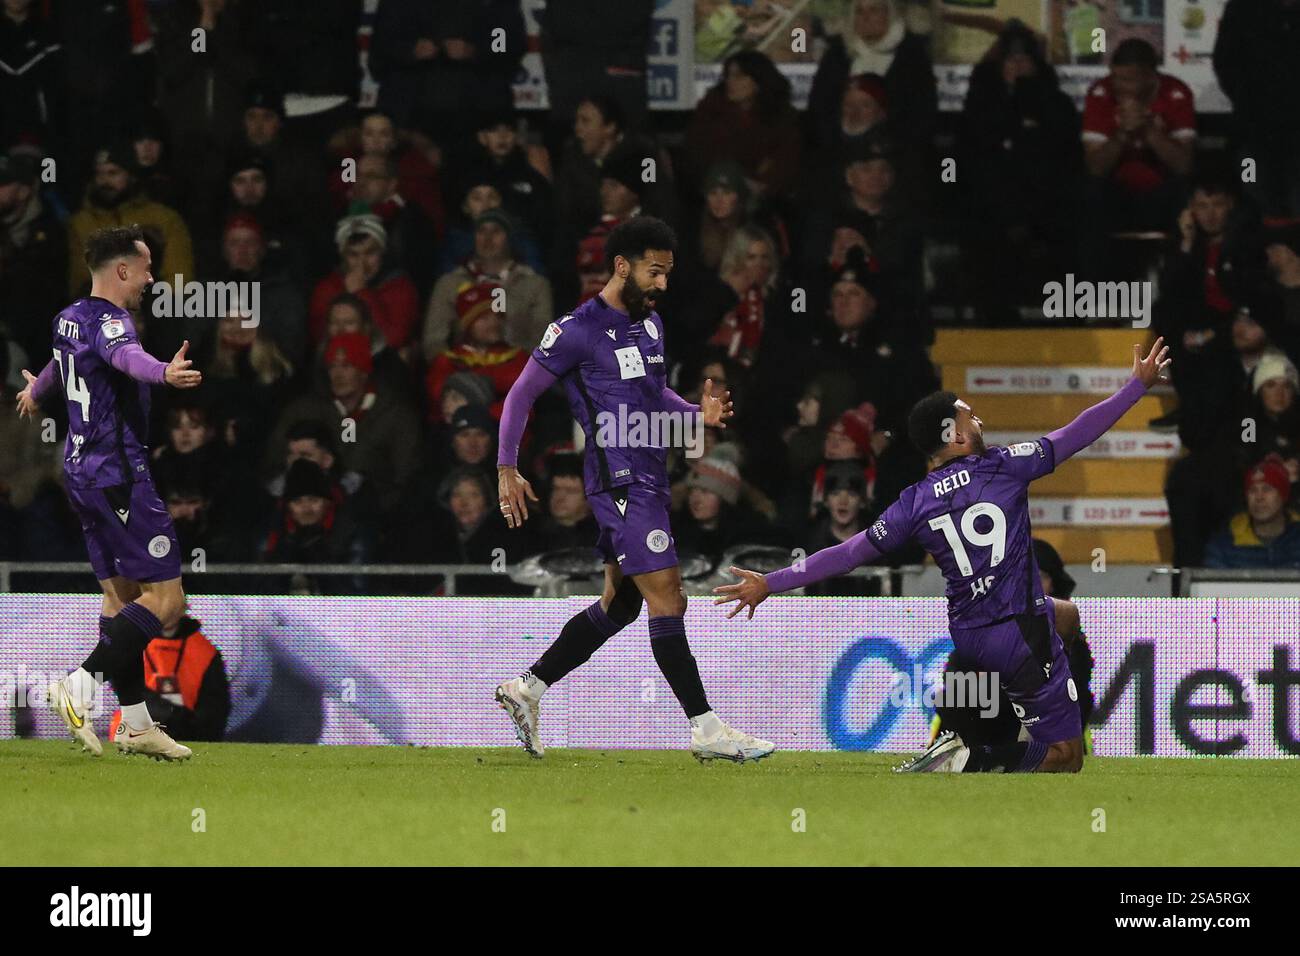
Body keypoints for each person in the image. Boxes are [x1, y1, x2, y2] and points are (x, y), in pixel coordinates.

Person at [716, 338, 1173, 773]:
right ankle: (970, 758)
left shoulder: (913, 502)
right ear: (953, 434)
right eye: (970, 415)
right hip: (1019, 630)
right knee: (1066, 757)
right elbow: (1078, 433)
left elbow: (847, 553)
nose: (980, 421)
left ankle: (1048, 706)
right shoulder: (1005, 465)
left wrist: (770, 582)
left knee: (1067, 617)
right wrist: (1137, 385)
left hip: (971, 637)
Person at [492, 215, 775, 762]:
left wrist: (697, 413)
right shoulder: (576, 329)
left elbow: (652, 395)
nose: (662, 284)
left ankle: (527, 689)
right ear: (621, 266)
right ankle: (707, 730)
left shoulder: (651, 326)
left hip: (650, 474)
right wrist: (508, 466)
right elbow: (520, 395)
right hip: (617, 480)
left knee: (620, 605)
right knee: (669, 595)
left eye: (667, 273)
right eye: (654, 272)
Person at [14, 224, 203, 761]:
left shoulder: (70, 317)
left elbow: (62, 363)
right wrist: (164, 372)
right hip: (119, 475)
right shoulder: (115, 322)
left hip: (78, 471)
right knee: (167, 601)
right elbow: (126, 361)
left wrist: (36, 388)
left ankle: (137, 724)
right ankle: (79, 683)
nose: (150, 278)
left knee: (120, 599)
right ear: (122, 271)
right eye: (145, 269)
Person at [106, 610, 232, 743]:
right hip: (132, 736)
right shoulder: (128, 641)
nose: (165, 604)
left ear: (183, 602)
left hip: (188, 744)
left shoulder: (206, 652)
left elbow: (214, 717)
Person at [1204, 454, 1300, 569]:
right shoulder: (1223, 546)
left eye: (1267, 489)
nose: (1259, 497)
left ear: (1283, 496)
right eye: (1252, 490)